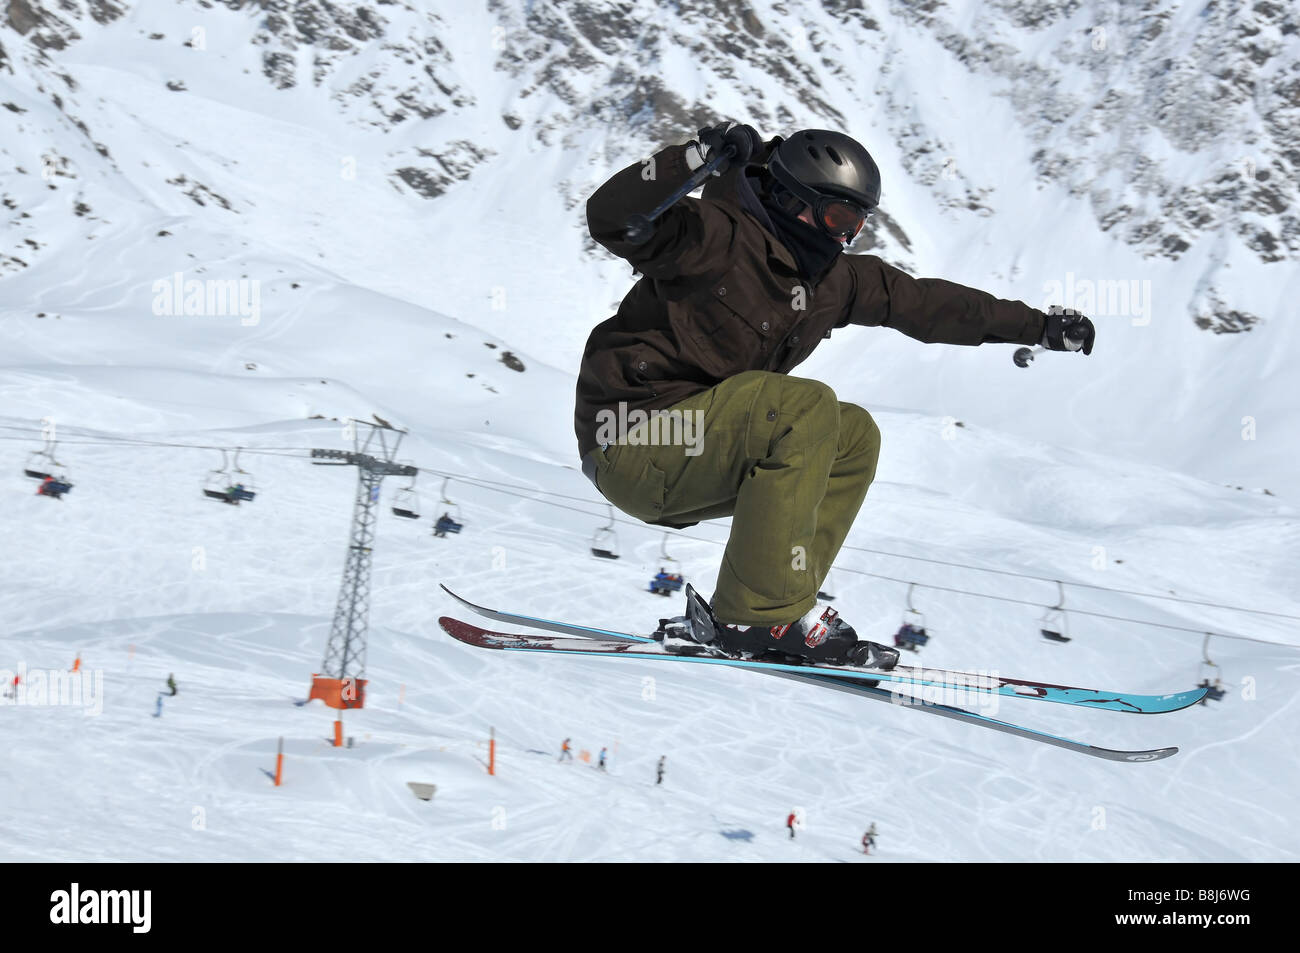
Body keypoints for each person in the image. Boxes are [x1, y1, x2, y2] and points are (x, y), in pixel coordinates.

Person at [577, 123, 1095, 665]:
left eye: (858, 223)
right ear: (790, 198)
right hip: (634, 437)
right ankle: (757, 616)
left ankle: (781, 608)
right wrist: (693, 157)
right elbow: (611, 217)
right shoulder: (712, 236)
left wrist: (1035, 326)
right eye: (838, 217)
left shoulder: (829, 281)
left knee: (852, 435)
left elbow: (924, 303)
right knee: (804, 407)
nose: (845, 236)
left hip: (695, 457)